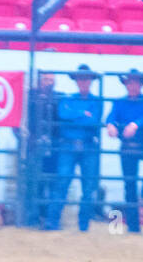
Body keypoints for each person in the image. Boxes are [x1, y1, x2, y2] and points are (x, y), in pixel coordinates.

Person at [105, 68, 143, 235]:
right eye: (130, 82)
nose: (132, 85)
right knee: (129, 184)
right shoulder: (119, 102)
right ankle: (133, 226)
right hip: (128, 147)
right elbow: (111, 116)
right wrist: (110, 124)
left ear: (141, 84)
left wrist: (134, 124)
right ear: (126, 84)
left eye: (136, 82)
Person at [46, 64, 102, 232]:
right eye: (81, 79)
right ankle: (53, 223)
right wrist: (83, 115)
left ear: (90, 81)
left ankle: (82, 225)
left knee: (87, 186)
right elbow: (63, 115)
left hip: (83, 145)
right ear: (77, 81)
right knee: (62, 182)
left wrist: (74, 117)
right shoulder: (69, 100)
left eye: (86, 79)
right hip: (72, 145)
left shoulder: (89, 101)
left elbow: (94, 122)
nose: (83, 82)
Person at [24, 71, 59, 227]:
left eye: (51, 80)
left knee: (51, 181)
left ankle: (46, 217)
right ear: (39, 81)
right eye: (45, 79)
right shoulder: (30, 98)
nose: (48, 83)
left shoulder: (57, 99)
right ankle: (33, 217)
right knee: (34, 182)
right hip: (34, 145)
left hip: (53, 145)